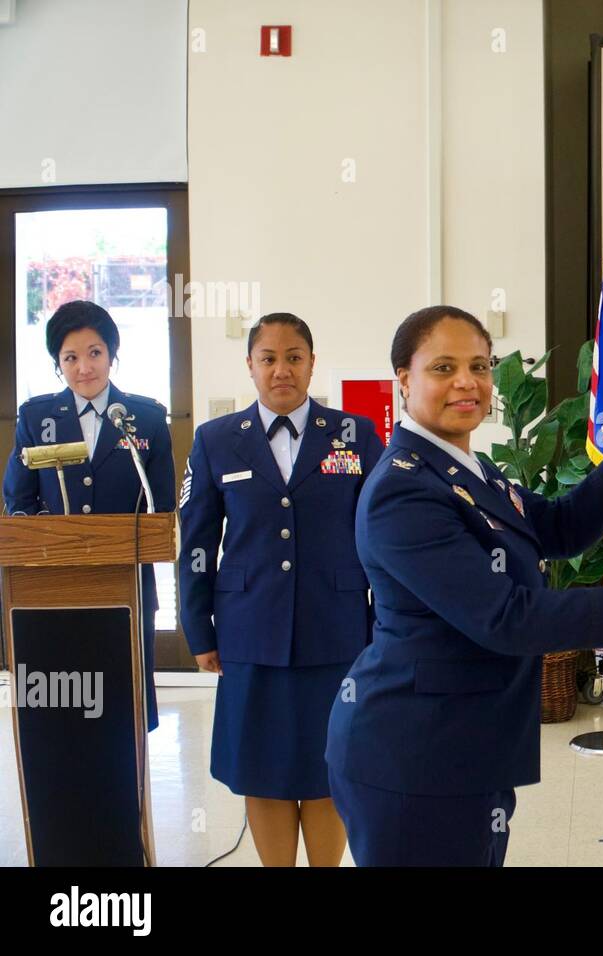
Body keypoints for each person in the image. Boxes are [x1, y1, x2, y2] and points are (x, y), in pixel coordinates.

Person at [325, 305, 603, 866]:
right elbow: (506, 618)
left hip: (467, 746)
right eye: (443, 367)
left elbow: (557, 527)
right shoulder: (405, 491)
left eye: (479, 365)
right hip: (414, 755)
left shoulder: (469, 470)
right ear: (404, 379)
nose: (467, 382)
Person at [179, 312, 384, 866]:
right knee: (262, 769)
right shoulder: (216, 441)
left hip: (338, 630)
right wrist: (199, 630)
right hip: (250, 633)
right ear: (250, 366)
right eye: (268, 358)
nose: (281, 370)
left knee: (329, 765)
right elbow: (196, 545)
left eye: (294, 357)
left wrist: (386, 626)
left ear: (312, 364)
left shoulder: (355, 434)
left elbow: (384, 533)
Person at [3, 300, 175, 732]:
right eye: (70, 357)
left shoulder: (146, 418)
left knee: (123, 715)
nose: (84, 368)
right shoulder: (37, 417)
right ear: (57, 364)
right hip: (52, 590)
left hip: (127, 589)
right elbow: (18, 500)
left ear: (113, 355)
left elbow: (162, 505)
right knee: (62, 718)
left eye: (95, 353)